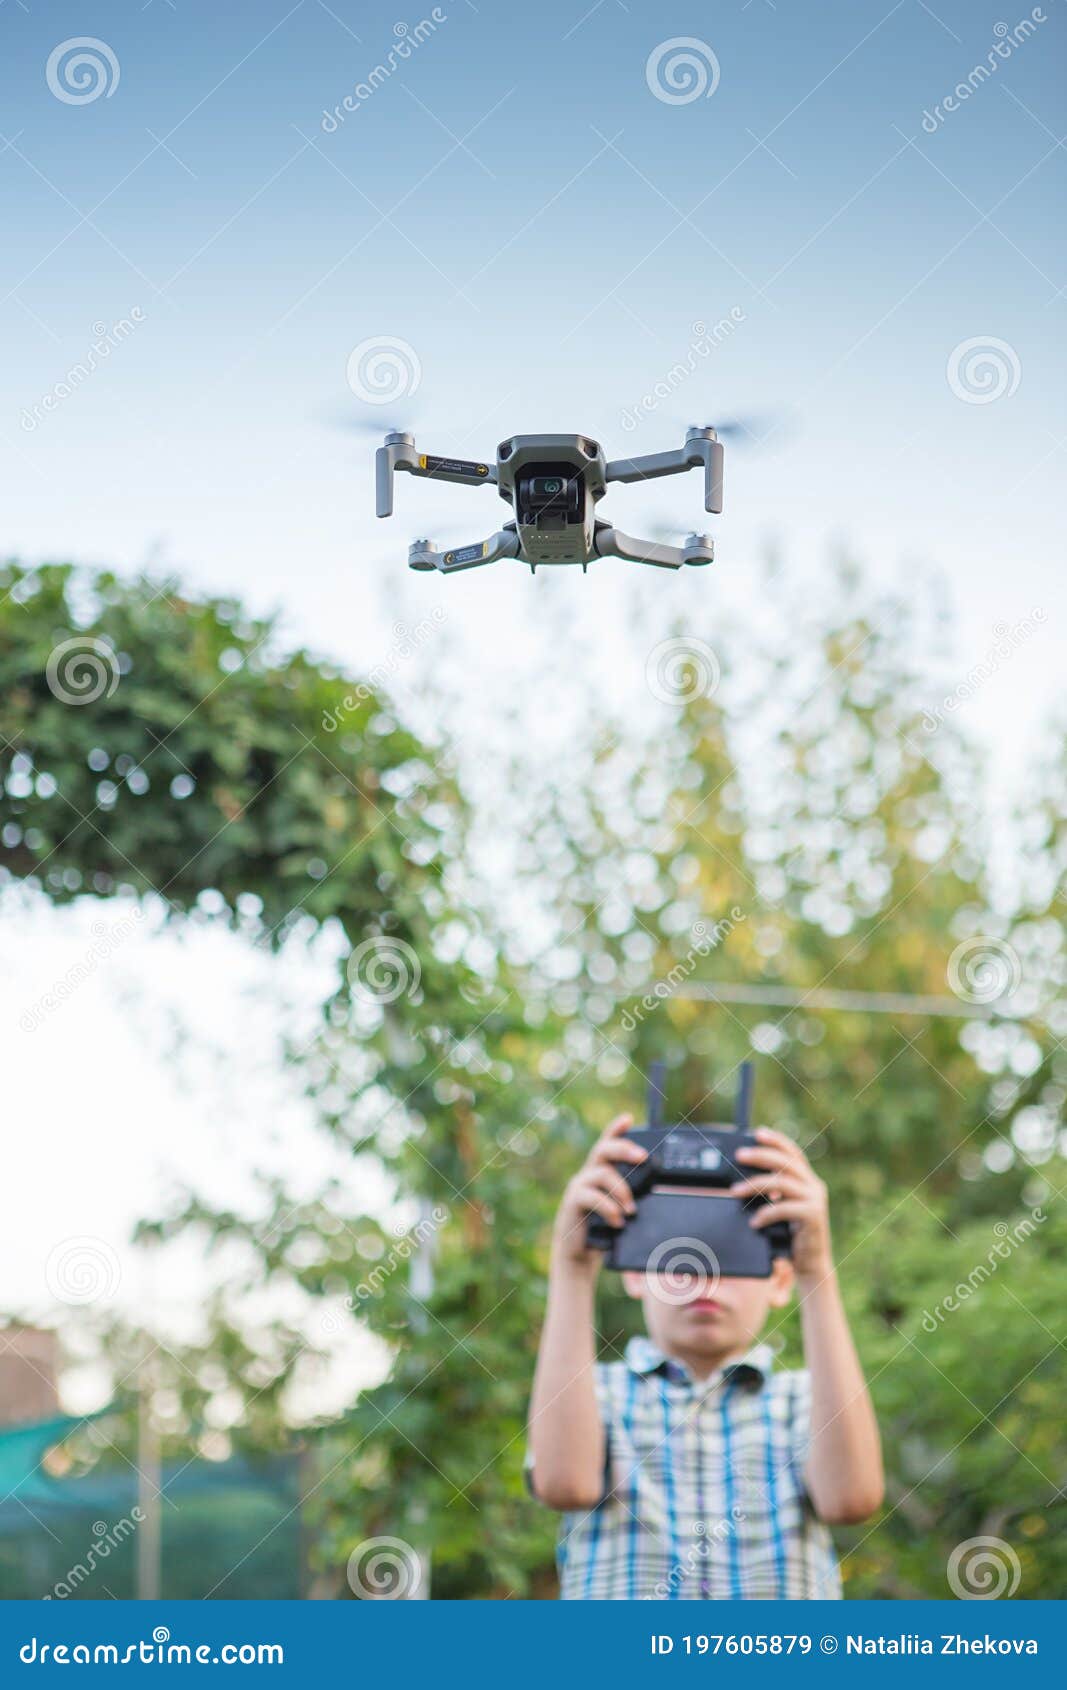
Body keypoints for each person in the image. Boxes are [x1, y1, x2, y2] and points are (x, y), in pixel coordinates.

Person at [528, 1112, 884, 1599]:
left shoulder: (804, 1399)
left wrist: (815, 1270)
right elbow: (563, 1484)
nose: (703, 1274)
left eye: (732, 1246)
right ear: (635, 1267)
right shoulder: (594, 1395)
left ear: (778, 1279)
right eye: (678, 1245)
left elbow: (852, 1499)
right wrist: (571, 1267)